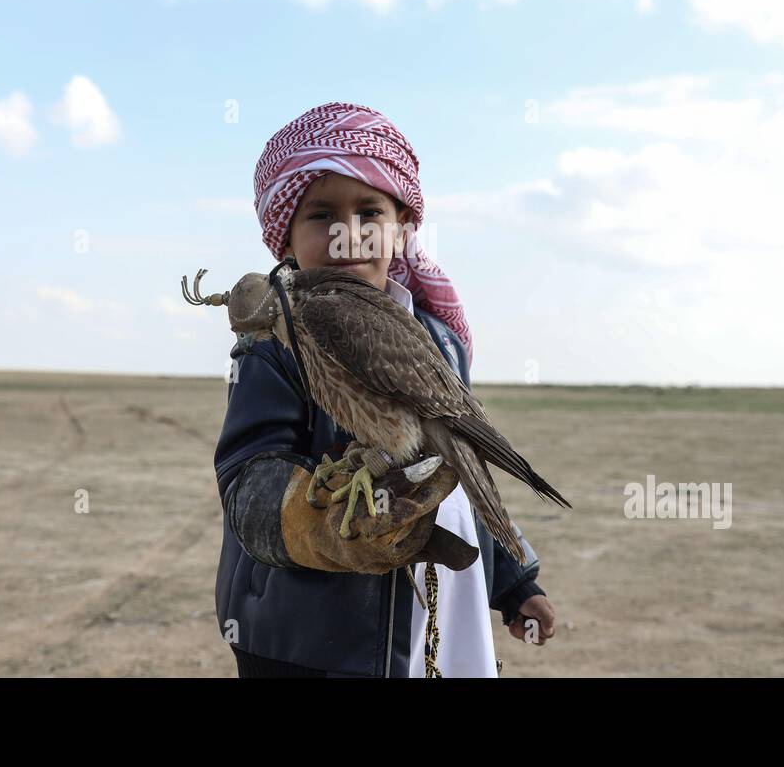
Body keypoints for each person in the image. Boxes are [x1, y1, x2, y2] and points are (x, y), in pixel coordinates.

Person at [213, 101, 556, 677]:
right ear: (286, 240)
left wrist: (516, 579)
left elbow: (458, 478)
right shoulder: (278, 338)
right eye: (322, 216)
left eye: (369, 212)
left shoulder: (435, 334)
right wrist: (316, 522)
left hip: (431, 612)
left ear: (402, 229)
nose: (349, 235)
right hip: (312, 639)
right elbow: (247, 476)